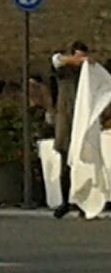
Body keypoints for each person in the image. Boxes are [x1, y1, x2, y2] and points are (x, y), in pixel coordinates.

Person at [52, 41, 91, 218]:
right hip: (66, 121)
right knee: (65, 164)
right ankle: (65, 201)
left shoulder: (89, 72)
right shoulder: (64, 72)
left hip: (82, 121)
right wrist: (73, 60)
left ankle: (83, 202)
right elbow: (56, 60)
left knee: (82, 165)